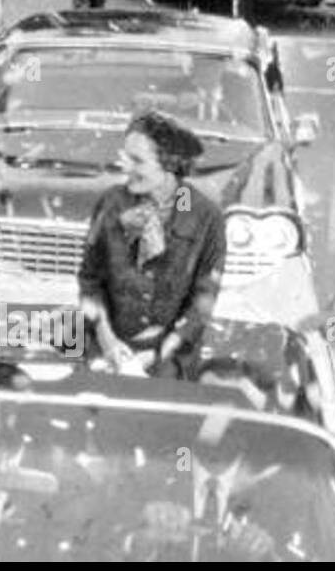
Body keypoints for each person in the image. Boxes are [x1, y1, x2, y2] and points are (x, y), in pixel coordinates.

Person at [77, 110, 225, 378]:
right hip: (106, 349)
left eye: (138, 161)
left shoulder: (205, 216)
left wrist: (161, 353)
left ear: (168, 164)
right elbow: (89, 281)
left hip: (170, 357)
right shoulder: (111, 205)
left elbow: (203, 301)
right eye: (125, 157)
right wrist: (106, 338)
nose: (126, 167)